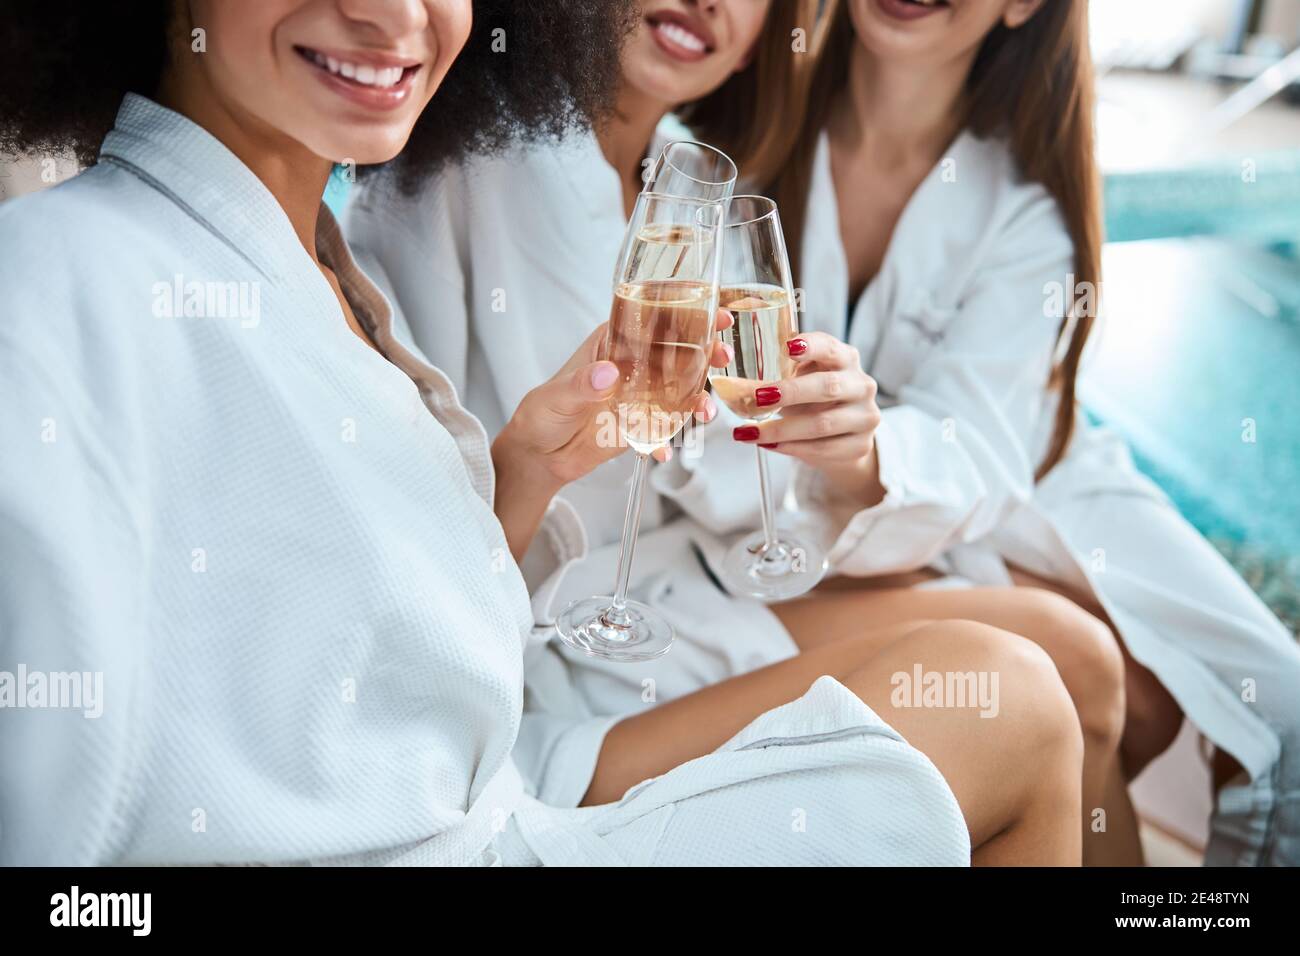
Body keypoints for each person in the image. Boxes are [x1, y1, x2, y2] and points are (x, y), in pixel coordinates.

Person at [0, 0, 1083, 865]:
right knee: (1022, 696)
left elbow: (361, 629)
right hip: (493, 796)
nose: (392, 13)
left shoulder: (317, 267)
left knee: (1027, 676)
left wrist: (528, 465)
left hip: (494, 799)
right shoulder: (54, 284)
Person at [348, 0, 1103, 862]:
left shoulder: (687, 184)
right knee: (1045, 681)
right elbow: (413, 528)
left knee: (1078, 654)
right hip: (547, 670)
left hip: (675, 597)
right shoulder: (478, 160)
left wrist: (851, 449)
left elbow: (736, 450)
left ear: (755, 49)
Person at [692, 0, 1299, 865]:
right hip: (851, 504)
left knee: (1270, 701)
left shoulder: (1025, 207)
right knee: (1092, 682)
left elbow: (973, 443)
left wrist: (869, 457)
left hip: (1016, 460)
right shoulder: (746, 116)